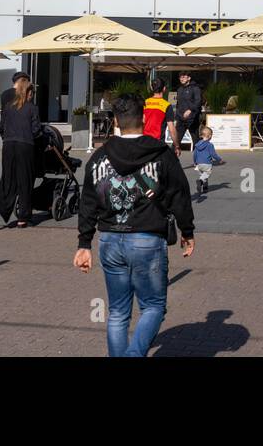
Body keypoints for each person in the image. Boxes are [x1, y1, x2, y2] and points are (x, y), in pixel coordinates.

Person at [74, 93, 195, 358]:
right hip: (147, 238)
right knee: (153, 306)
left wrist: (84, 243)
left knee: (117, 311)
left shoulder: (99, 156)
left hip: (109, 239)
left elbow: (88, 201)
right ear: (142, 118)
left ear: (115, 121)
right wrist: (187, 231)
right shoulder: (161, 153)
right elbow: (180, 194)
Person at [0, 74, 46, 230]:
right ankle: (22, 218)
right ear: (27, 92)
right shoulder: (32, 108)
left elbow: (2, 127)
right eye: (31, 93)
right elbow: (36, 130)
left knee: (8, 179)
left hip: (9, 146)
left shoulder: (8, 106)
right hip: (25, 146)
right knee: (25, 180)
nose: (32, 96)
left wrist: (8, 138)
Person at [169, 72, 203, 158]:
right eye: (180, 77)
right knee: (176, 140)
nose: (182, 78)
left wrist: (190, 110)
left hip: (193, 119)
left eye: (184, 77)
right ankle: (171, 160)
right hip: (181, 119)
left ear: (189, 78)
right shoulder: (180, 89)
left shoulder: (195, 88)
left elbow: (198, 102)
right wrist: (176, 118)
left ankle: (200, 159)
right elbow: (178, 105)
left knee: (196, 141)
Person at [192, 126, 225, 195]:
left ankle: (205, 188)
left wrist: (195, 162)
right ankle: (200, 181)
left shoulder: (197, 145)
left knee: (203, 175)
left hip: (199, 164)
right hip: (207, 163)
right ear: (209, 136)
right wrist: (219, 159)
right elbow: (213, 154)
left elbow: (194, 154)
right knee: (207, 174)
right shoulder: (210, 145)